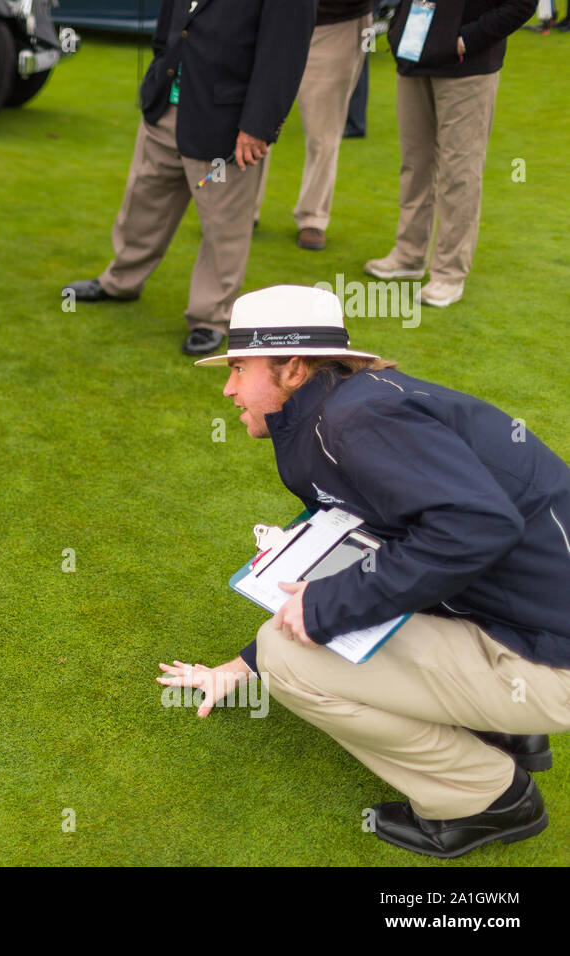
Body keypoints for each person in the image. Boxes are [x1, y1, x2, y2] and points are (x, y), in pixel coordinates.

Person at [159, 284, 570, 858]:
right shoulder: (351, 405)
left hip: (547, 654)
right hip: (531, 622)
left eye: (239, 367)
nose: (228, 387)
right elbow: (393, 534)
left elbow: (478, 526)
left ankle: (486, 798)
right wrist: (240, 666)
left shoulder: (358, 419)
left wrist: (323, 610)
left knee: (287, 658)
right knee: (276, 645)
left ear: (293, 368)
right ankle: (504, 729)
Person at [62, 0, 316, 358]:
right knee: (143, 201)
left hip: (227, 123)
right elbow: (172, 20)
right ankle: (120, 282)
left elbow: (284, 54)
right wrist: (157, 76)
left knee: (223, 226)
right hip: (166, 105)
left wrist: (258, 127)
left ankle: (210, 318)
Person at [364, 0, 535, 308]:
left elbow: (522, 4)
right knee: (415, 164)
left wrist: (468, 39)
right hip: (415, 55)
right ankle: (409, 254)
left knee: (460, 171)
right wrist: (398, 28)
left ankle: (449, 273)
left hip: (466, 65)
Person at [253, 1, 374, 251]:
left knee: (324, 132)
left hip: (335, 23)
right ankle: (243, 208)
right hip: (271, 19)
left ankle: (313, 217)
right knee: (255, 118)